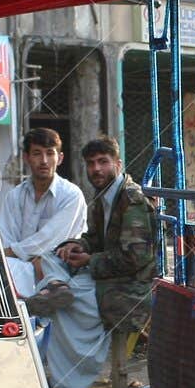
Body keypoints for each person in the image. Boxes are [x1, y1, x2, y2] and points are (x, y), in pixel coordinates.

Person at [58, 136, 158, 335]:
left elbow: (135, 258)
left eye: (103, 161)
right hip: (110, 277)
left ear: (118, 164)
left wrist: (89, 260)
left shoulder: (132, 200)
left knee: (65, 305)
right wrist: (79, 245)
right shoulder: (103, 195)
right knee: (53, 261)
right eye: (91, 163)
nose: (96, 169)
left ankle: (87, 363)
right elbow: (95, 238)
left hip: (130, 288)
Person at [0, 128, 85, 300]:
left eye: (50, 154)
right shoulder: (15, 195)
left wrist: (15, 252)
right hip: (21, 265)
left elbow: (51, 239)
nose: (44, 161)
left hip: (57, 264)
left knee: (47, 263)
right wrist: (19, 256)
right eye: (37, 153)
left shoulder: (72, 195)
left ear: (60, 158)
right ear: (26, 158)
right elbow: (5, 236)